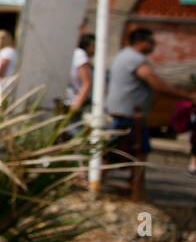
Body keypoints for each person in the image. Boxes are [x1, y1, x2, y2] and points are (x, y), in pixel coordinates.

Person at [104, 27, 191, 199]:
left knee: (116, 152)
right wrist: (186, 96)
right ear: (142, 42)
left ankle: (126, 188)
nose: (153, 46)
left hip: (125, 114)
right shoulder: (134, 59)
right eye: (151, 43)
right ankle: (135, 193)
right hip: (130, 116)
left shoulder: (124, 56)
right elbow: (156, 84)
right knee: (138, 154)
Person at [65, 32, 94, 116]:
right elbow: (87, 83)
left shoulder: (77, 54)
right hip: (72, 105)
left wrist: (76, 105)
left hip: (72, 104)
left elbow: (86, 83)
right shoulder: (79, 54)